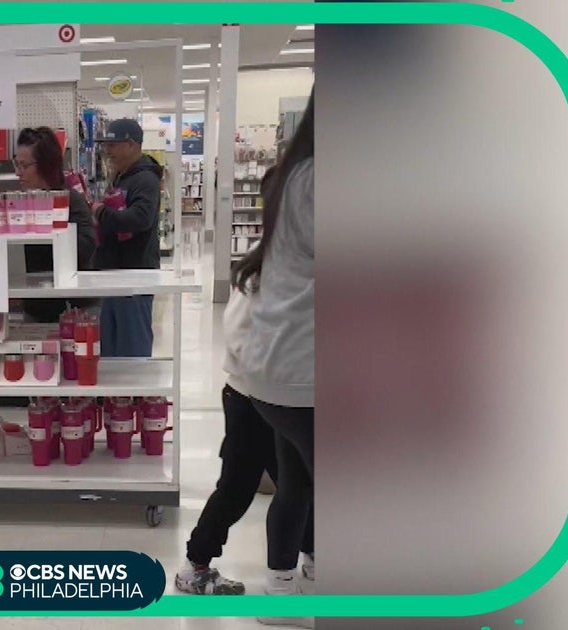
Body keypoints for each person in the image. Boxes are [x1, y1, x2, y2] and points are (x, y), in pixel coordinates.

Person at [174, 166, 314, 597]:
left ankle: (308, 563)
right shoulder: (269, 257)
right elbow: (236, 329)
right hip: (251, 394)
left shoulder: (285, 252)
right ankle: (194, 566)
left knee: (297, 486)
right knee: (240, 484)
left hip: (269, 392)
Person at [232, 90, 314, 628]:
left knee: (298, 481)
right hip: (304, 370)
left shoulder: (295, 174)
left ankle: (286, 587)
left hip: (272, 371)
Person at [91, 118, 162, 357]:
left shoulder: (146, 180)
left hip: (135, 276)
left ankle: (140, 395)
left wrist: (101, 212)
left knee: (133, 351)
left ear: (132, 145)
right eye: (105, 146)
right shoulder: (122, 177)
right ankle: (115, 396)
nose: (107, 151)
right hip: (115, 275)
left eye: (113, 145)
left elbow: (141, 218)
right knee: (111, 349)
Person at [14, 126, 96, 322]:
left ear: (45, 165)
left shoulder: (70, 200)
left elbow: (86, 246)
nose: (18, 173)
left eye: (25, 166)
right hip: (36, 306)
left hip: (74, 308)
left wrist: (49, 230)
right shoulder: (20, 203)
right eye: (17, 165)